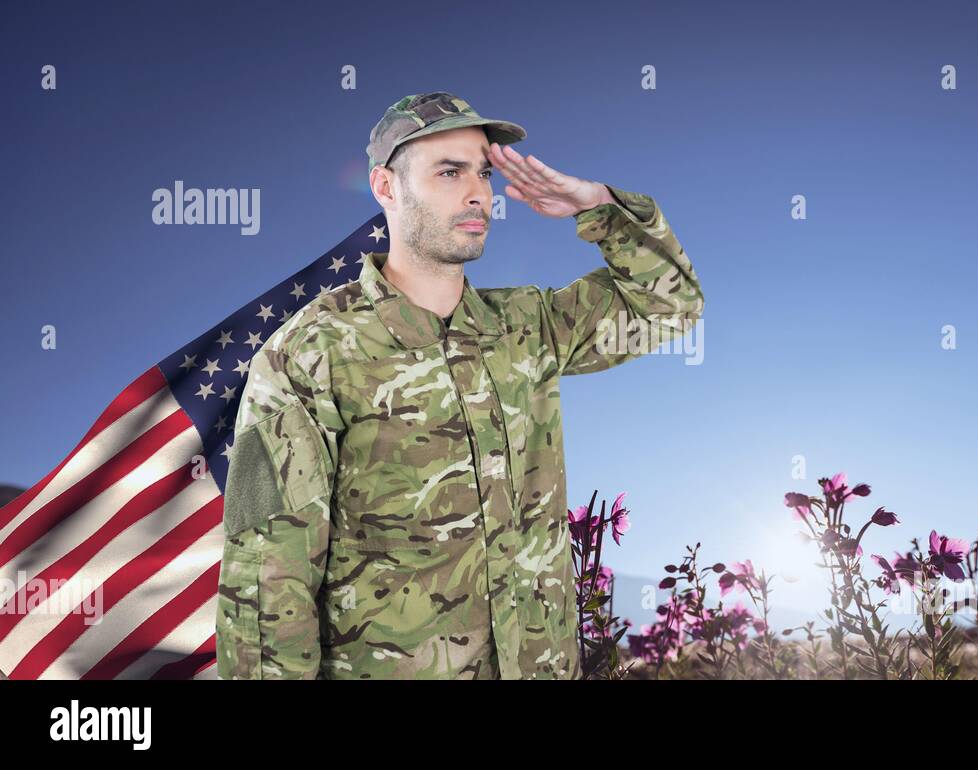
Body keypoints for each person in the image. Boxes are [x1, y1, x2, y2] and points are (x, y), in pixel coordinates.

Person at [214, 92, 704, 679]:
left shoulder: (527, 327)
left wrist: (598, 206)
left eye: (484, 173)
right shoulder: (310, 353)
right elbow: (267, 585)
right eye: (449, 172)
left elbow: (670, 305)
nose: (479, 193)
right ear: (386, 187)